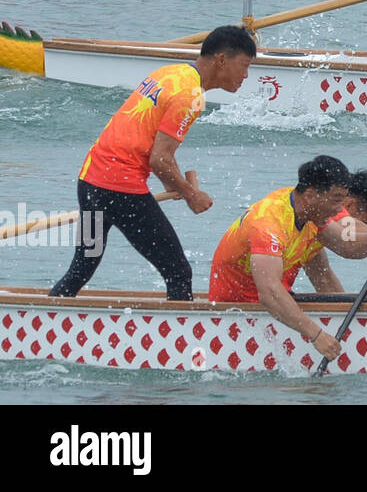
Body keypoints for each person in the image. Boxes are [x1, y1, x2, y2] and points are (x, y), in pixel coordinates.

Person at [49, 25, 256, 301]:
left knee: (83, 265)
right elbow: (160, 159)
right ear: (221, 60)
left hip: (90, 180)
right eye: (244, 66)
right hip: (120, 188)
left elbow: (155, 153)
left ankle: (42, 317)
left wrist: (177, 185)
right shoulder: (191, 96)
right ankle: (180, 340)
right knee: (179, 272)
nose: (245, 75)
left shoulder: (169, 73)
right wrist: (191, 194)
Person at [208, 155, 367, 362]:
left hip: (279, 301)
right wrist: (317, 335)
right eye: (337, 199)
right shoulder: (268, 223)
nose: (341, 210)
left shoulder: (307, 212)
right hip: (237, 310)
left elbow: (347, 246)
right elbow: (269, 294)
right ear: (311, 195)